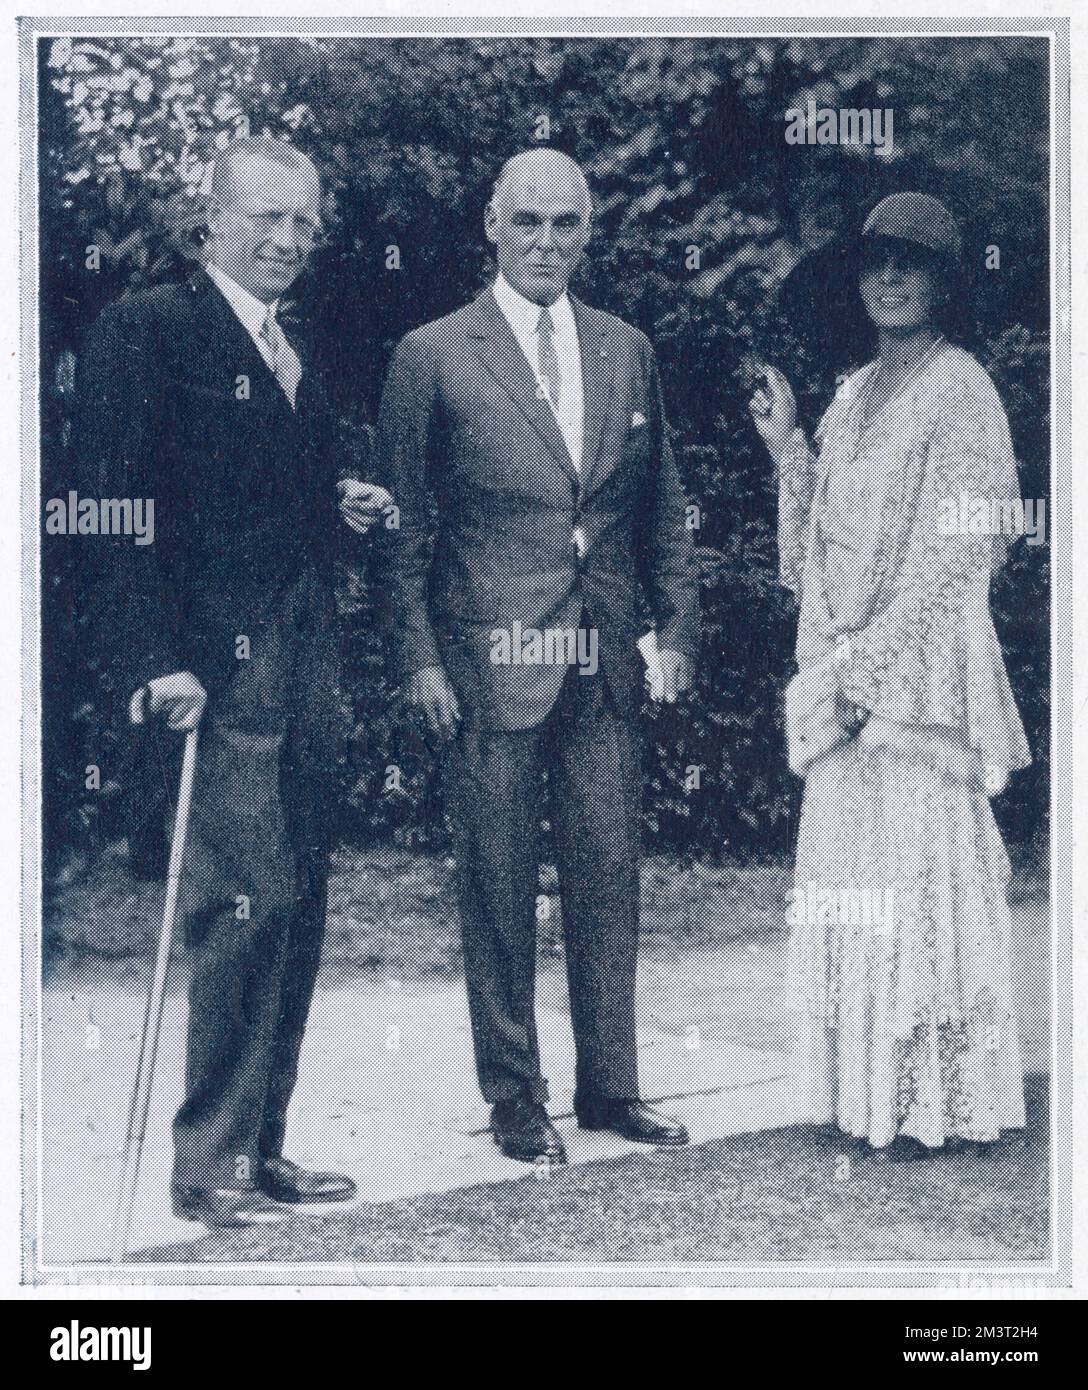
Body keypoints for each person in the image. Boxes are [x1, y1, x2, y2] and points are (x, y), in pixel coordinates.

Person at [79, 137, 389, 1226]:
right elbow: (111, 511)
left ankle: (261, 1146)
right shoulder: (147, 330)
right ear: (207, 217)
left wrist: (337, 500)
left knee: (295, 897)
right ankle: (207, 1161)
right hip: (215, 669)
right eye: (265, 216)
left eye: (305, 221)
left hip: (305, 657)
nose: (287, 239)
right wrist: (151, 658)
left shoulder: (287, 344)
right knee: (241, 898)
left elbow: (263, 497)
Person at [377, 148, 700, 1164]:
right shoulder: (430, 354)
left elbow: (659, 511)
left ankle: (611, 1089)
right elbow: (401, 532)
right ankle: (516, 1096)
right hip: (488, 666)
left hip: (601, 662)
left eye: (566, 223)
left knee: (610, 878)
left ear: (589, 232)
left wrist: (677, 629)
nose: (547, 242)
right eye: (528, 222)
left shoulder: (624, 348)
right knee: (498, 886)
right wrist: (419, 660)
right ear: (490, 223)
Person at [750, 191, 1032, 1159]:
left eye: (911, 262)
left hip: (921, 684)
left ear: (944, 281)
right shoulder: (846, 393)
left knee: (914, 872)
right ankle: (860, 1095)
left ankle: (934, 1098)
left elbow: (957, 553)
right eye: (875, 261)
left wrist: (870, 660)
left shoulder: (963, 391)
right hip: (846, 669)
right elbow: (813, 551)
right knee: (852, 873)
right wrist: (786, 445)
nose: (890, 277)